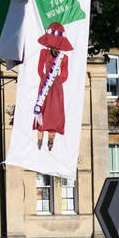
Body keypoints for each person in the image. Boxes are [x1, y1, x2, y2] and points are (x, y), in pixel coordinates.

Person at [33, 21, 71, 151]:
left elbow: (40, 70)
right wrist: (56, 81)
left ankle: (46, 140)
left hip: (48, 84)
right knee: (47, 111)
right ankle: (45, 140)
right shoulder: (46, 53)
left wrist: (46, 79)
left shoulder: (62, 57)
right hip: (52, 86)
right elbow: (64, 75)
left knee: (51, 112)